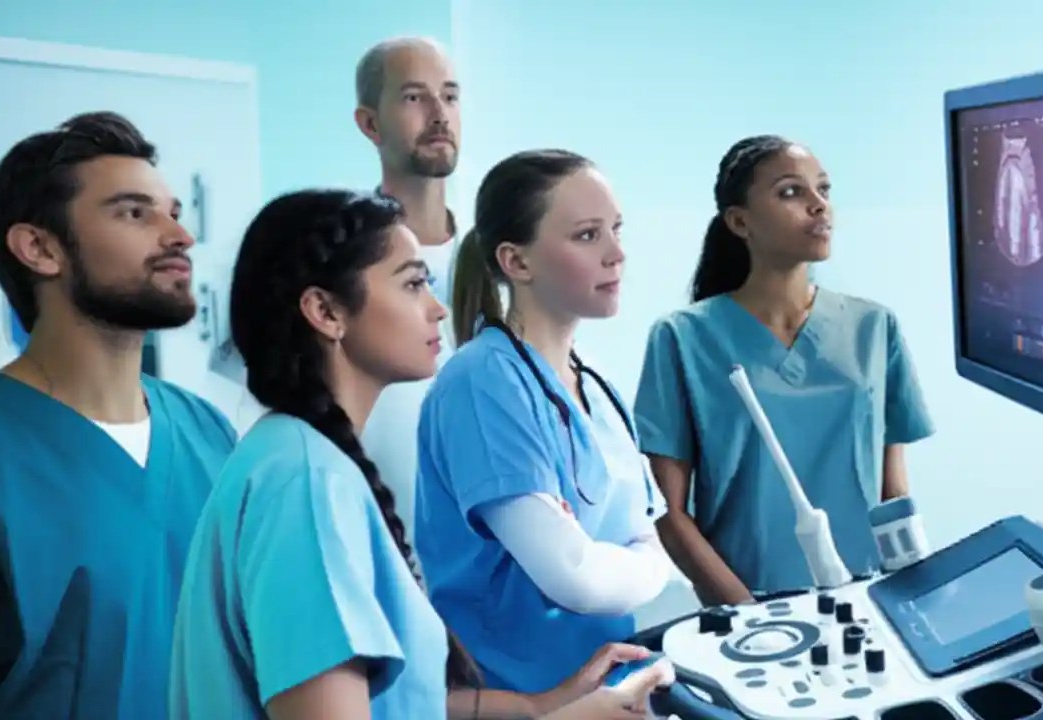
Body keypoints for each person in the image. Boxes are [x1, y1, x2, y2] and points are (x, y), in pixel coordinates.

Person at [169, 189, 669, 720]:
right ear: (326, 312)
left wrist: (541, 705)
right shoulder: (305, 483)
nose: (439, 308)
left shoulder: (303, 459)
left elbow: (397, 703)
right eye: (412, 284)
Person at [0, 112, 237, 719]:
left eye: (173, 212)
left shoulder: (210, 432)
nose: (179, 236)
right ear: (40, 248)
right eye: (135, 213)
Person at [633, 135, 936, 606]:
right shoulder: (682, 338)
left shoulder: (874, 327)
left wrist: (912, 597)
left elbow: (893, 491)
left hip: (868, 597)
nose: (819, 205)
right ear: (740, 222)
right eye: (791, 192)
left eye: (824, 189)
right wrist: (746, 613)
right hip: (749, 603)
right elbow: (668, 513)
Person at [415, 150, 673, 695]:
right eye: (587, 236)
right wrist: (638, 565)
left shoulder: (595, 383)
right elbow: (575, 578)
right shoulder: (482, 381)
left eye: (616, 230)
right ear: (517, 261)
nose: (616, 254)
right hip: (520, 698)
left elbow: (650, 545)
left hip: (608, 687)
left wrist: (630, 562)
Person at [353, 36, 462, 543]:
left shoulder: (504, 262)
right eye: (415, 97)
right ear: (370, 124)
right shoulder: (337, 260)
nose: (439, 114)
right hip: (381, 545)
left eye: (450, 96)